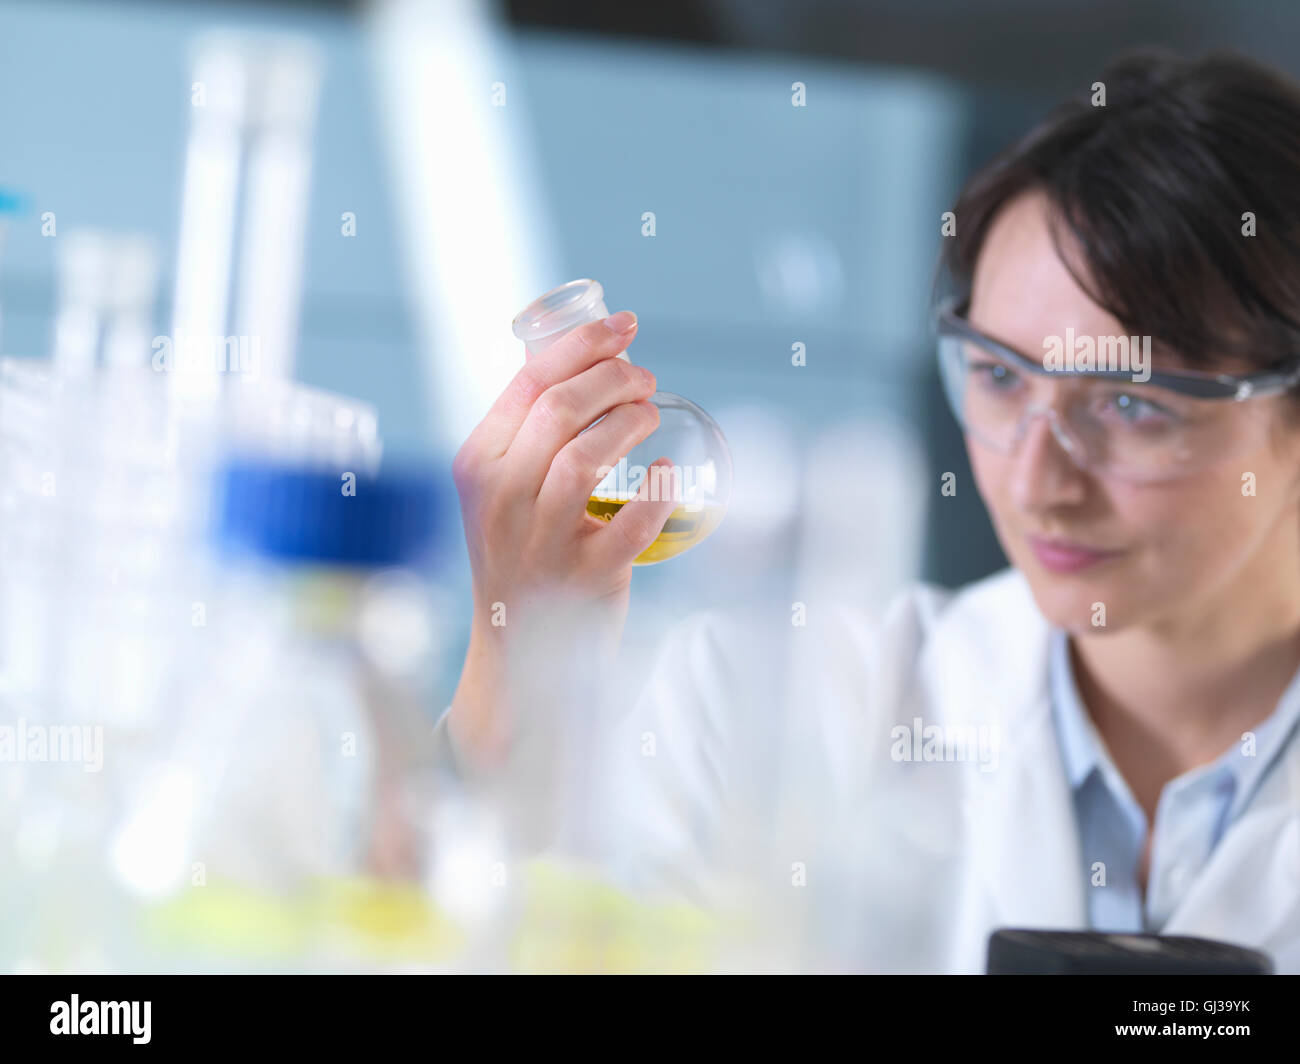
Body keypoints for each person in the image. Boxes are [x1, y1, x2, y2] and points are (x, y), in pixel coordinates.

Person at [433, 47, 1300, 972]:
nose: (1039, 481)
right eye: (1000, 377)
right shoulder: (766, 714)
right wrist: (518, 658)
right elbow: (484, 942)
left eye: (1131, 404)